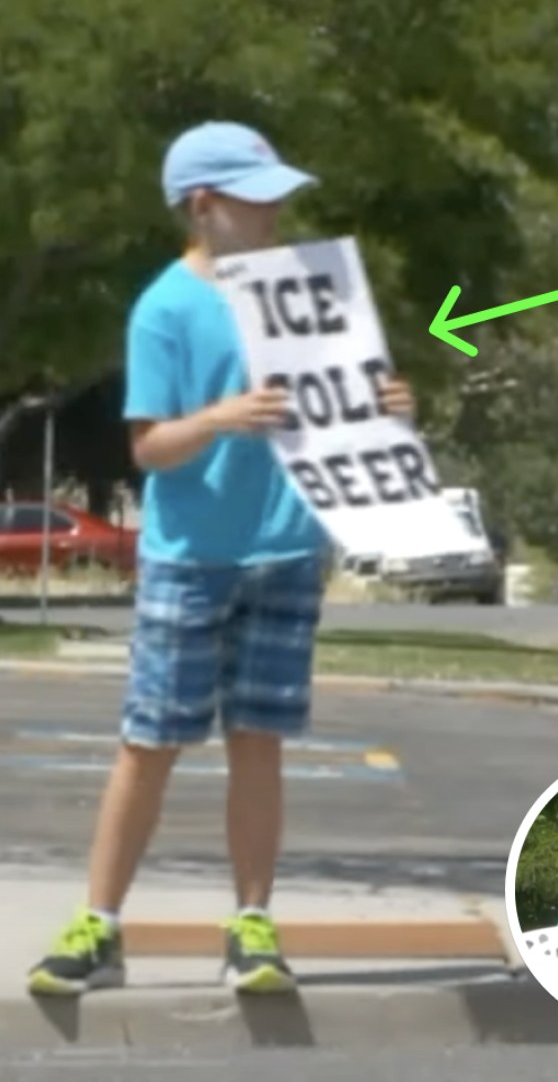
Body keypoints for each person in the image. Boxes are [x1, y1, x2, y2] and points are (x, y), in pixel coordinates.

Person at [27, 121, 416, 996]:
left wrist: (387, 404)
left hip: (285, 550)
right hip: (190, 557)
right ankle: (101, 923)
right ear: (205, 207)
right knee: (150, 742)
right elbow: (151, 447)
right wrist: (219, 419)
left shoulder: (306, 296)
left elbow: (347, 415)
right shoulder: (166, 308)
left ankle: (252, 923)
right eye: (256, 194)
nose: (277, 207)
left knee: (258, 742)